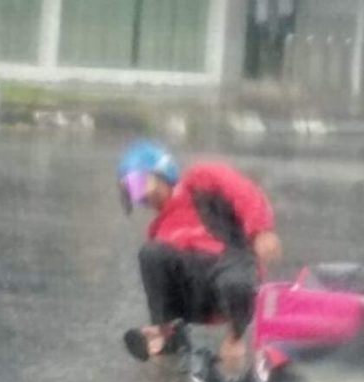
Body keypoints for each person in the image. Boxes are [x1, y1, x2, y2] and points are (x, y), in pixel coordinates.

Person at [118, 140, 281, 370]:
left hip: (232, 265)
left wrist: (260, 230)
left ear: (161, 175)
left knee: (234, 281)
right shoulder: (158, 230)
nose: (143, 199)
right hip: (197, 295)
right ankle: (166, 333)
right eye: (132, 192)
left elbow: (243, 192)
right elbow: (162, 279)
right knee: (150, 253)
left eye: (140, 186)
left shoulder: (199, 178)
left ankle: (234, 338)